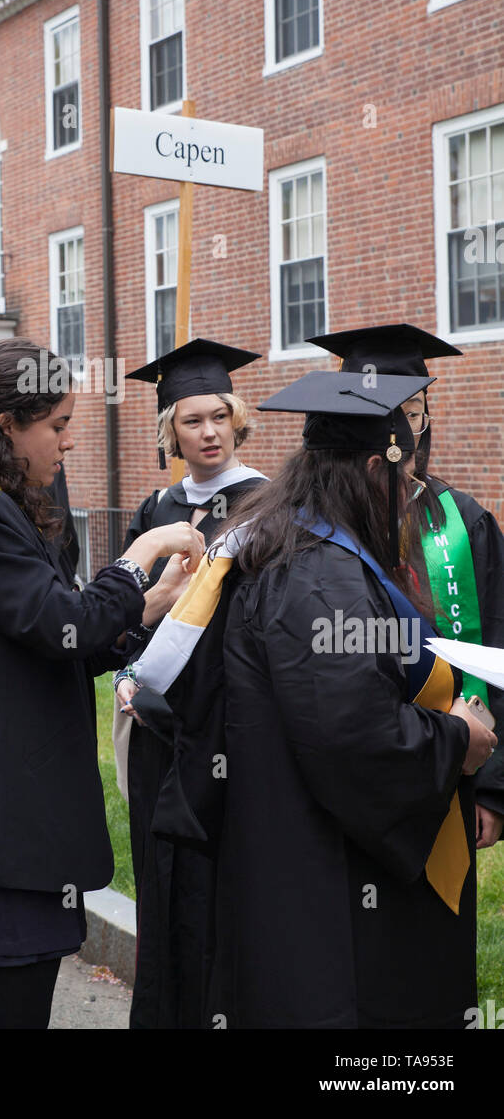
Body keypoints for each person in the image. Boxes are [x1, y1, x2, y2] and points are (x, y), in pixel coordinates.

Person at [0, 338, 204, 1029]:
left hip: (23, 832)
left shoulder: (3, 509)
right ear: (8, 426)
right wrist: (139, 557)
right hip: (6, 827)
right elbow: (59, 622)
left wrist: (155, 606)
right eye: (58, 425)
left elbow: (58, 646)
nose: (69, 441)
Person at [211, 368, 493, 1027]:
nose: (409, 501)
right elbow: (351, 737)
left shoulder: (300, 545)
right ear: (374, 468)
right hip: (334, 893)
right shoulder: (318, 574)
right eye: (406, 482)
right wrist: (459, 740)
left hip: (305, 869)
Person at [115, 338, 266, 1029]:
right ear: (169, 429)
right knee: (157, 879)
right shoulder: (155, 510)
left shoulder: (268, 505)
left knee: (222, 889)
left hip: (230, 730)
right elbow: (133, 614)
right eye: (191, 420)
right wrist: (125, 674)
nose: (208, 432)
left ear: (237, 418)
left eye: (218, 416)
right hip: (158, 730)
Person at [308, 323, 504, 850]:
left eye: (414, 410)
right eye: (388, 409)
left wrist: (492, 786)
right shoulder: (323, 524)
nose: (404, 423)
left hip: (457, 750)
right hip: (364, 755)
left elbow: (497, 643)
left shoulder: (465, 522)